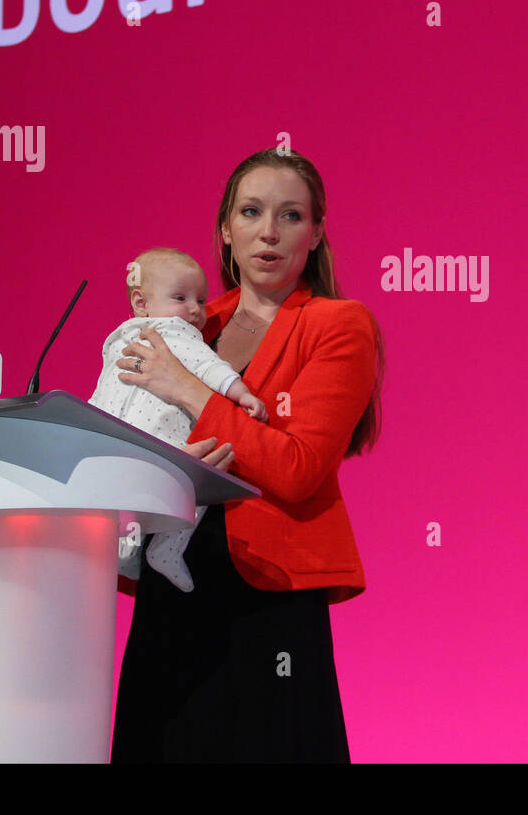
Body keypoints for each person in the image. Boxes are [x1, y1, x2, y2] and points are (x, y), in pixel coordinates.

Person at [108, 149, 384, 763]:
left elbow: (298, 467)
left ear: (314, 236)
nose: (269, 231)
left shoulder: (340, 325)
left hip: (266, 592)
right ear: (225, 231)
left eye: (291, 215)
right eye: (252, 212)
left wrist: (186, 386)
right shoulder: (185, 321)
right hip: (172, 572)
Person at [88, 246, 267, 592]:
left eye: (200, 299)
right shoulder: (161, 334)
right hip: (145, 440)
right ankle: (154, 549)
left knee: (174, 487)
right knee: (189, 485)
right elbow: (209, 367)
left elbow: (208, 367)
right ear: (141, 303)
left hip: (139, 444)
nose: (196, 310)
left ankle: (145, 549)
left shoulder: (149, 337)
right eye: (181, 297)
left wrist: (240, 393)